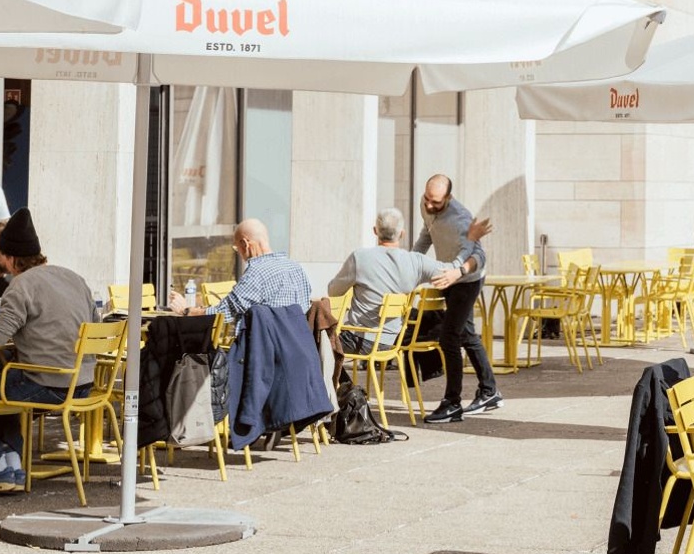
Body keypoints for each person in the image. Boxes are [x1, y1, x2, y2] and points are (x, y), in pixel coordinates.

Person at [0, 208, 96, 496]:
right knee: (1, 386)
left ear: (10, 258)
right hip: (83, 382)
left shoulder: (20, 286)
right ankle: (13, 465)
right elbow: (95, 323)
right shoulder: (74, 277)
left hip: (47, 382)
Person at [328, 207, 490, 353]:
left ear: (375, 231)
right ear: (402, 233)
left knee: (318, 340)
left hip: (360, 339)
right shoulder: (417, 262)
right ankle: (347, 385)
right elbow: (451, 270)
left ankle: (346, 384)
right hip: (395, 339)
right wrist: (470, 240)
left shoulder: (360, 257)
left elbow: (333, 291)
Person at [412, 174, 500, 422]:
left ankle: (452, 403)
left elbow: (479, 257)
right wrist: (409, 263)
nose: (430, 205)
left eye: (436, 202)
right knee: (466, 333)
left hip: (467, 280)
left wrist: (458, 272)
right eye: (427, 199)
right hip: (448, 277)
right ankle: (489, 390)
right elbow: (427, 234)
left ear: (448, 198)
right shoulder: (425, 205)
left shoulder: (461, 219)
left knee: (449, 337)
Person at [168, 218, 311, 325]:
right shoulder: (295, 267)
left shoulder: (256, 273)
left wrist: (186, 311)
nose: (239, 254)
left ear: (245, 243)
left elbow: (223, 313)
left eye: (237, 248)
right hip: (298, 351)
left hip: (266, 354)